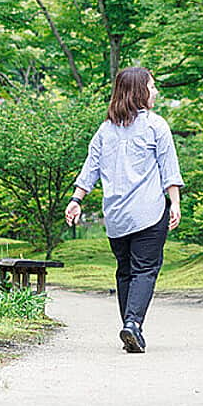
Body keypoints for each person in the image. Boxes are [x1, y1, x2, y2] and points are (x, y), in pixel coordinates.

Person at [66, 67, 183, 354]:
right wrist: (175, 202)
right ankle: (132, 325)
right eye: (151, 86)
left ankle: (130, 328)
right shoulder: (156, 125)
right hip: (148, 212)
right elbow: (169, 168)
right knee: (144, 270)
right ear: (139, 92)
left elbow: (89, 168)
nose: (155, 92)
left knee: (125, 271)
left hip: (116, 217)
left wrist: (76, 199)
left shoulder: (106, 130)